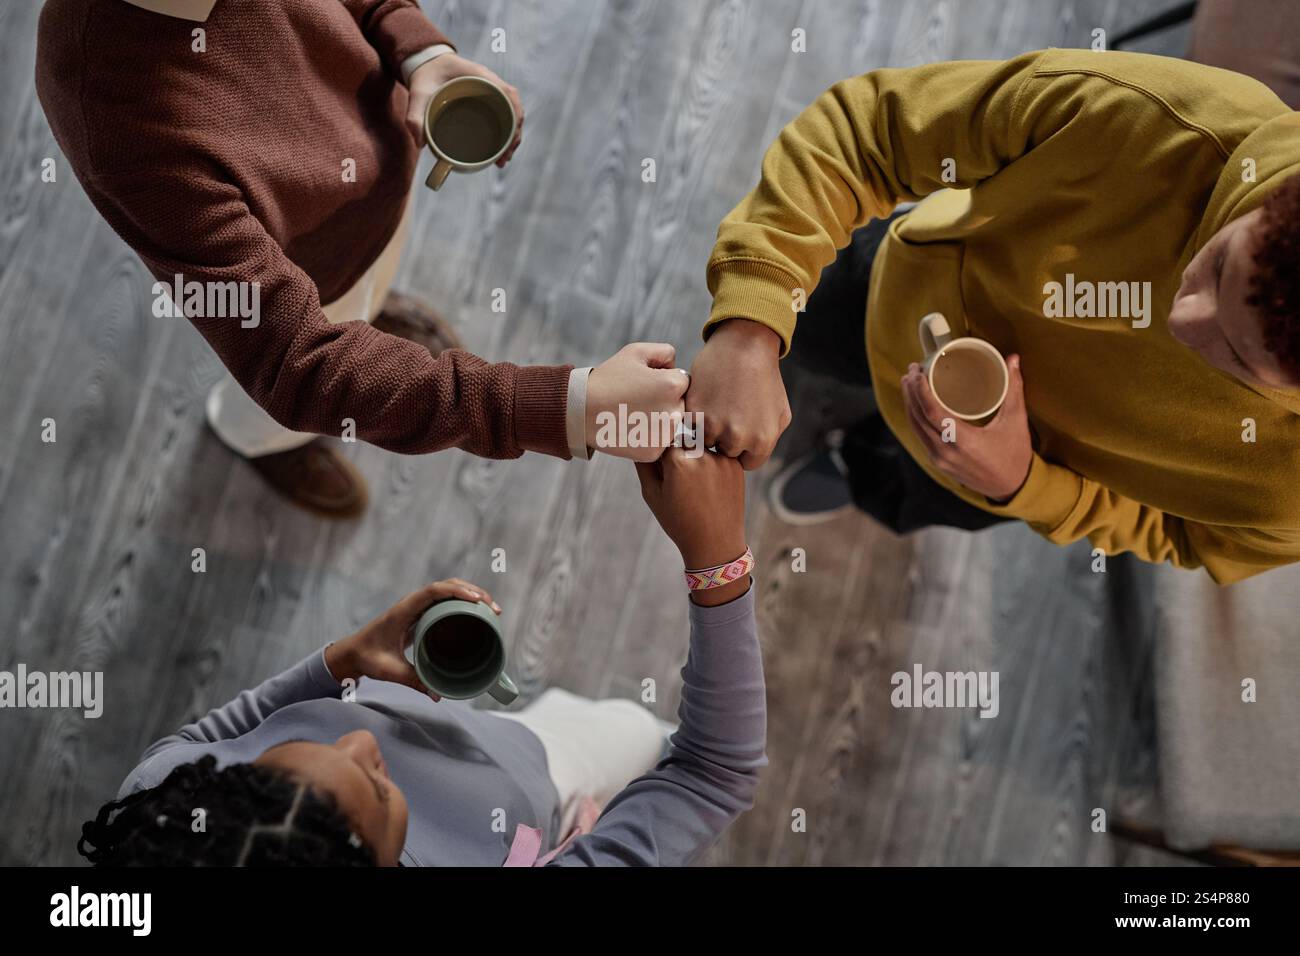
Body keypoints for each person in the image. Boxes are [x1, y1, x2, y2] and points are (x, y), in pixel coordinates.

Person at [36, 0, 686, 518]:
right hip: (304, 286)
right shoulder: (117, 110)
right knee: (276, 405)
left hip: (369, 202)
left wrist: (421, 51)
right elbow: (297, 366)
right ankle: (257, 447)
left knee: (368, 299)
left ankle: (371, 314)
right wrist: (564, 404)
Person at [686, 49, 1300, 583]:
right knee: (814, 327)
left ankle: (859, 467)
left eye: (1238, 357)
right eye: (1219, 265)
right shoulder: (1160, 117)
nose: (1180, 317)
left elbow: (1180, 537)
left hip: (1008, 469)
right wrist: (749, 328)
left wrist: (1022, 483)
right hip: (898, 285)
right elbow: (868, 131)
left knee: (912, 493)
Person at [76, 448, 765, 866]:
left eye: (269, 759)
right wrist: (718, 562)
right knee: (637, 734)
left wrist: (342, 661)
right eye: (376, 790)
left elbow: (203, 740)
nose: (357, 737)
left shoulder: (166, 805)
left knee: (555, 715)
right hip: (548, 775)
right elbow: (711, 770)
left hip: (499, 740)